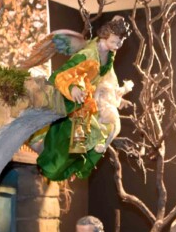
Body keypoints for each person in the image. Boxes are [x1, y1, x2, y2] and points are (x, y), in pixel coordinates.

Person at [34, 15, 132, 182]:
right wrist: (72, 88)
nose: (118, 45)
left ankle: (75, 168)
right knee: (72, 142)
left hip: (90, 102)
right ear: (105, 35)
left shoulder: (109, 54)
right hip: (74, 101)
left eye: (120, 42)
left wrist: (117, 97)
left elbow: (108, 78)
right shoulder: (87, 55)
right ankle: (50, 166)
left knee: (105, 130)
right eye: (115, 41)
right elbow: (60, 75)